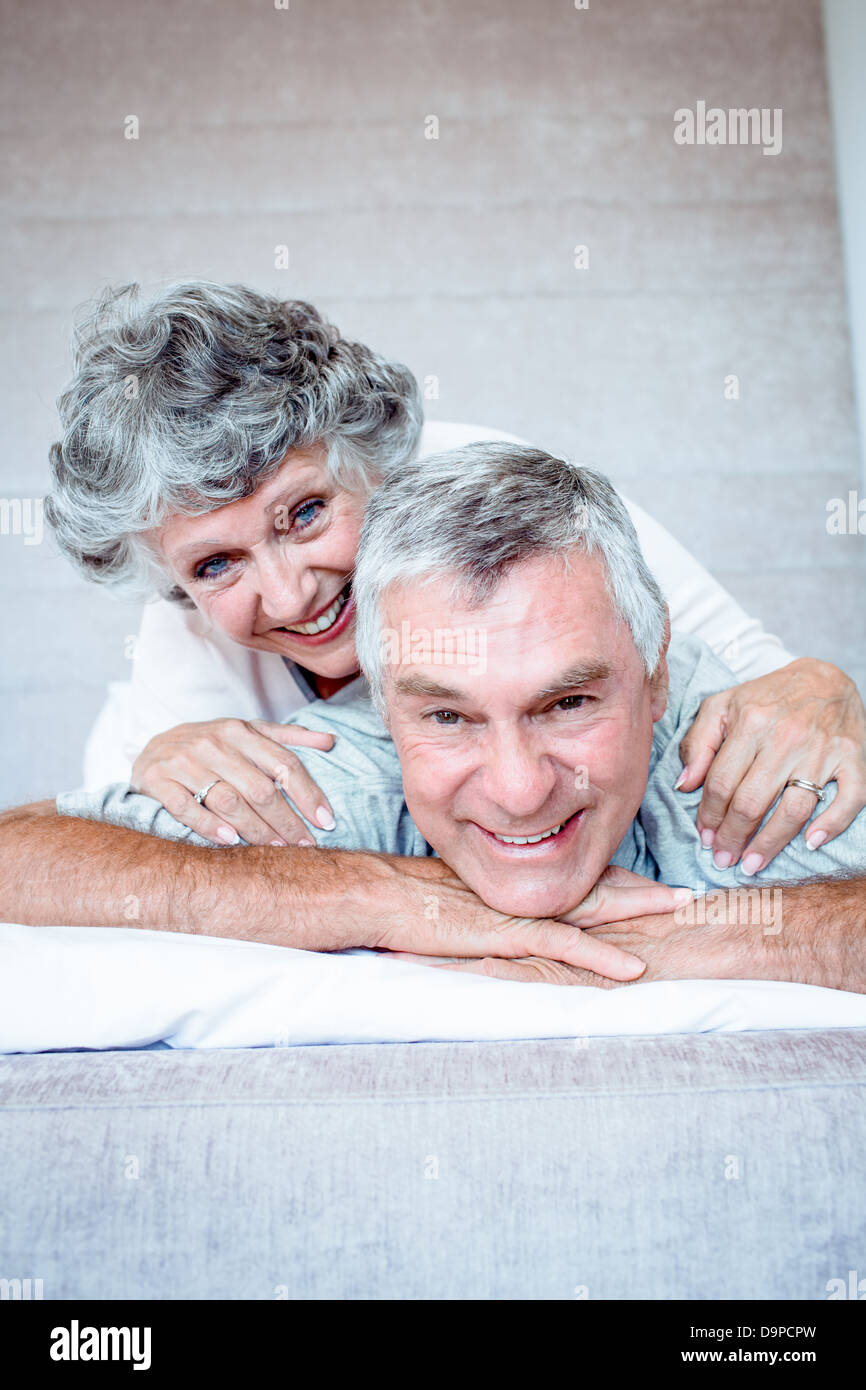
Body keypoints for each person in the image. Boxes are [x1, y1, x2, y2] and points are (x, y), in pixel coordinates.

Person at [44, 281, 866, 879]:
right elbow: (138, 865)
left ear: (366, 456)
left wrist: (823, 686)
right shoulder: (182, 637)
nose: (293, 595)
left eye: (303, 515)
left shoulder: (516, 505)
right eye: (216, 564)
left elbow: (750, 680)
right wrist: (156, 756)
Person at [5, 444, 864, 993]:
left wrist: (679, 942)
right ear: (381, 700)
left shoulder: (757, 771)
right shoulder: (346, 770)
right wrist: (394, 897)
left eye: (567, 703)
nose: (521, 791)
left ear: (657, 673)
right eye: (449, 719)